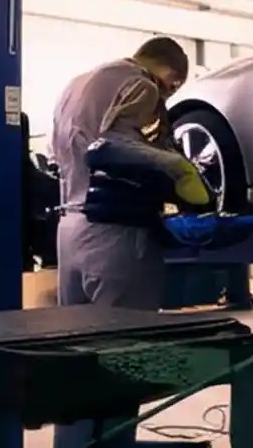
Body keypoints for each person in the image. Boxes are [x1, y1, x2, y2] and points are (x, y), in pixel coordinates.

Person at [50, 36, 190, 311]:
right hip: (115, 235)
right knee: (125, 345)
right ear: (172, 79)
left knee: (75, 343)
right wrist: (179, 168)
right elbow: (120, 149)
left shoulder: (75, 85)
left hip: (69, 230)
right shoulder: (143, 86)